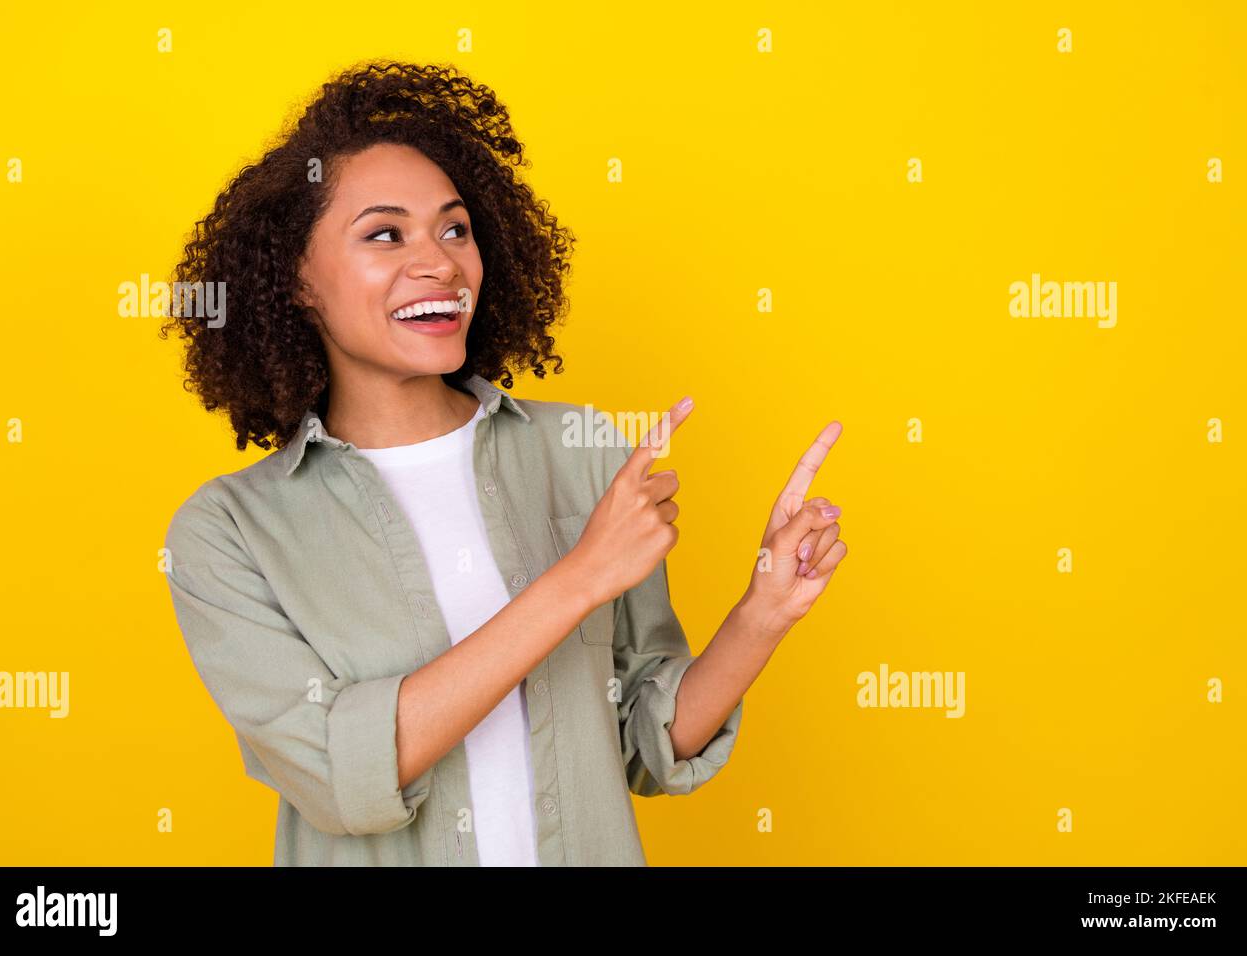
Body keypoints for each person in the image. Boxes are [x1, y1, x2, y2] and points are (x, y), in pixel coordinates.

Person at [159, 60, 848, 866]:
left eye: (455, 229)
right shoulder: (230, 532)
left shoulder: (581, 456)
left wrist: (762, 612)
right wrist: (582, 574)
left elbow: (648, 741)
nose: (441, 262)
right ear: (298, 282)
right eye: (385, 234)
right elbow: (341, 776)